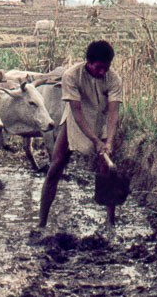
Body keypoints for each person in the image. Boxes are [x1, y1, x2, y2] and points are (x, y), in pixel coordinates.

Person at [38, 40, 124, 230]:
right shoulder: (71, 76)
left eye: (106, 68)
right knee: (55, 167)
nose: (102, 72)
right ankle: (42, 222)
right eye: (99, 68)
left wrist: (108, 141)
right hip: (75, 121)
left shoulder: (114, 79)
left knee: (108, 171)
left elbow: (113, 113)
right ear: (88, 62)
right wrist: (94, 140)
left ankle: (111, 222)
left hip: (101, 121)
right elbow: (76, 111)